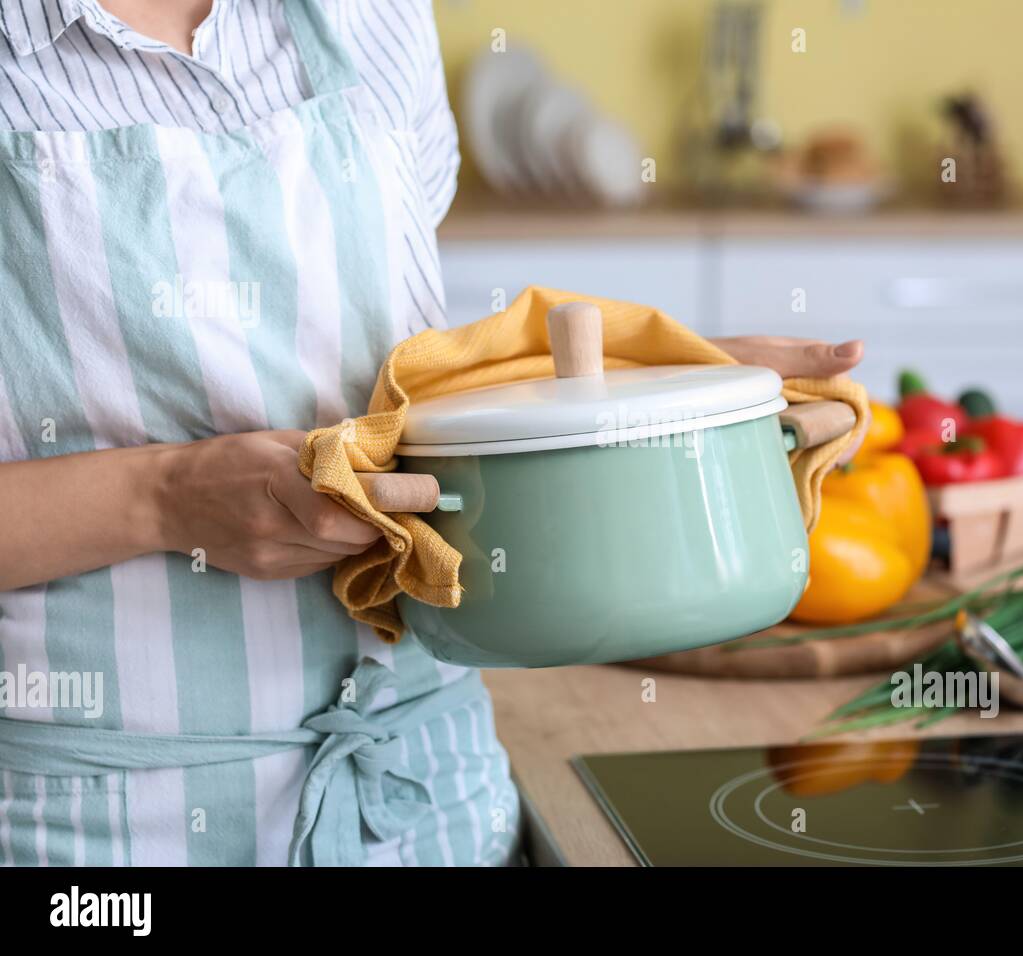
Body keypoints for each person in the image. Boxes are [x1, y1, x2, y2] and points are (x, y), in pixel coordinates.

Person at [0, 0, 865, 866]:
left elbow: (379, 376)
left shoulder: (371, 15)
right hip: (103, 833)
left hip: (422, 797)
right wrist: (164, 502)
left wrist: (667, 394)